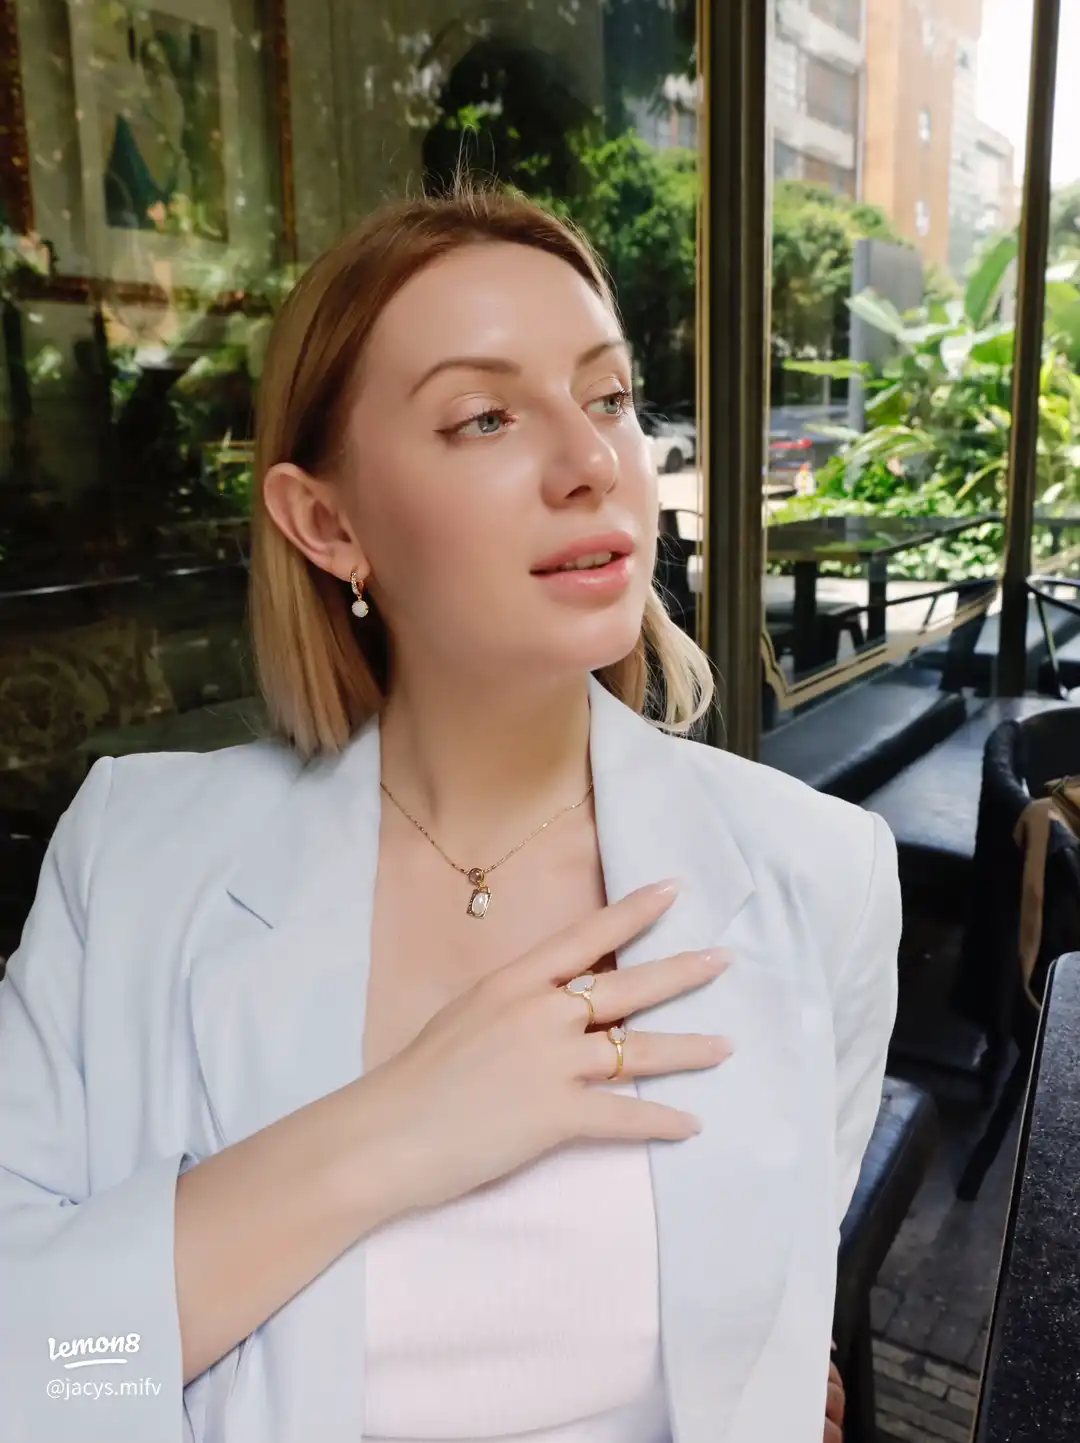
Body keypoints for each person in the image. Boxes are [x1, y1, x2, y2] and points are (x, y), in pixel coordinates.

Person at [0, 183, 898, 1443]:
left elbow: (772, 1346)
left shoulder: (823, 875)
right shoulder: (134, 859)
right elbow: (31, 1378)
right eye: (483, 417)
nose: (594, 466)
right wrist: (392, 1132)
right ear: (329, 523)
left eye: (609, 399)